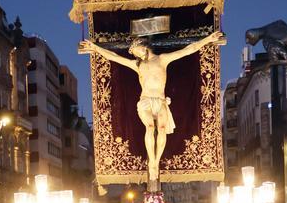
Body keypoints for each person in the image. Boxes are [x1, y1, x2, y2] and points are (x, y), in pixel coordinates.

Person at [80, 31, 224, 189]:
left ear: (143, 47)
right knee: (150, 127)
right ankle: (152, 164)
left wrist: (209, 39)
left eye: (136, 52)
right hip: (146, 102)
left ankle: (155, 161)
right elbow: (114, 57)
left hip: (161, 102)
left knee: (161, 129)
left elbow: (188, 49)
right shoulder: (138, 65)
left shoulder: (162, 59)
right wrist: (94, 47)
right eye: (134, 54)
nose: (136, 56)